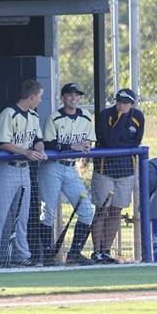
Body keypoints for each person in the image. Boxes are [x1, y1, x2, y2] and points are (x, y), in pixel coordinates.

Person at [0, 79, 47, 267]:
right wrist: (26, 152)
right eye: (40, 97)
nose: (40, 100)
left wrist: (40, 150)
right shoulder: (8, 113)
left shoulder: (33, 116)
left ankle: (22, 255)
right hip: (8, 168)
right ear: (32, 96)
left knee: (22, 217)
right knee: (0, 215)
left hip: (24, 170)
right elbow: (2, 143)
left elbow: (38, 140)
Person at [36, 83, 95, 266]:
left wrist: (86, 145)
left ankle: (75, 253)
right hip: (52, 167)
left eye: (77, 95)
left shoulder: (86, 116)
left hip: (71, 168)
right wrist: (72, 147)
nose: (74, 98)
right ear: (62, 98)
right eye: (70, 95)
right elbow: (49, 144)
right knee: (48, 213)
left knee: (86, 210)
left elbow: (89, 140)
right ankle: (47, 255)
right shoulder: (54, 118)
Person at [90, 88, 145, 263]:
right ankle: (96, 251)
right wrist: (121, 119)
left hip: (126, 171)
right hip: (105, 170)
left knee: (116, 211)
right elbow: (110, 141)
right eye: (119, 101)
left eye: (125, 102)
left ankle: (106, 250)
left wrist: (124, 142)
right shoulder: (107, 114)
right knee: (102, 209)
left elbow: (136, 141)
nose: (121, 105)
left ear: (132, 104)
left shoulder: (138, 116)